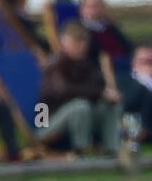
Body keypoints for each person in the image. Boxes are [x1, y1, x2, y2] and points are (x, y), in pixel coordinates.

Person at [36, 22, 121, 154]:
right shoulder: (55, 65)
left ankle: (112, 149)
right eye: (75, 43)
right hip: (46, 120)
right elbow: (64, 90)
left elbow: (97, 85)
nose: (80, 48)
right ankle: (82, 150)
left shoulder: (86, 64)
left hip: (79, 115)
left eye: (83, 44)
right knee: (80, 106)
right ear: (64, 43)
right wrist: (99, 93)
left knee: (111, 104)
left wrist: (107, 94)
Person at [77, 0, 132, 64]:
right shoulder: (79, 30)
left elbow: (127, 47)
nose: (95, 10)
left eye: (98, 5)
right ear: (82, 9)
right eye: (91, 6)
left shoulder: (110, 28)